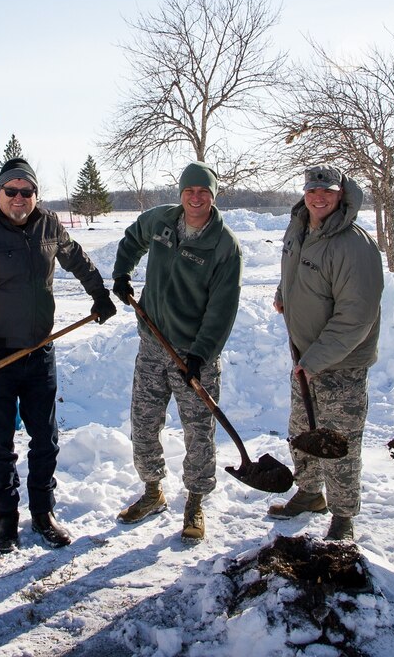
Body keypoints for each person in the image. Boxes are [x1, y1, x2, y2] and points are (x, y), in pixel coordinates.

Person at [0, 157, 117, 554]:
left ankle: (43, 514)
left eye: (26, 191)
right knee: (0, 443)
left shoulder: (48, 224)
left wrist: (97, 293)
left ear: (35, 195)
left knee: (45, 439)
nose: (19, 198)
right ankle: (5, 522)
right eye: (11, 191)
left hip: (39, 352)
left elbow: (75, 257)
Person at [111, 161, 242, 542]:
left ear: (213, 196)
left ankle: (195, 502)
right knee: (144, 423)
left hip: (192, 354)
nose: (196, 197)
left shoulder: (224, 245)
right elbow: (132, 237)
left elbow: (222, 310)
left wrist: (200, 356)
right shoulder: (163, 221)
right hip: (153, 343)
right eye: (189, 191)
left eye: (203, 191)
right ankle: (152, 492)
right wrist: (122, 272)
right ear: (181, 194)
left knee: (198, 432)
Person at [267, 164, 383, 542]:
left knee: (339, 444)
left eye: (327, 191)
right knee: (302, 432)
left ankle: (344, 516)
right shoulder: (300, 226)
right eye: (313, 190)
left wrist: (313, 362)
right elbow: (296, 270)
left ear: (341, 195)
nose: (319, 197)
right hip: (305, 358)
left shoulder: (353, 244)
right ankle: (310, 493)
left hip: (340, 365)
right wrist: (285, 293)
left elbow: (356, 316)